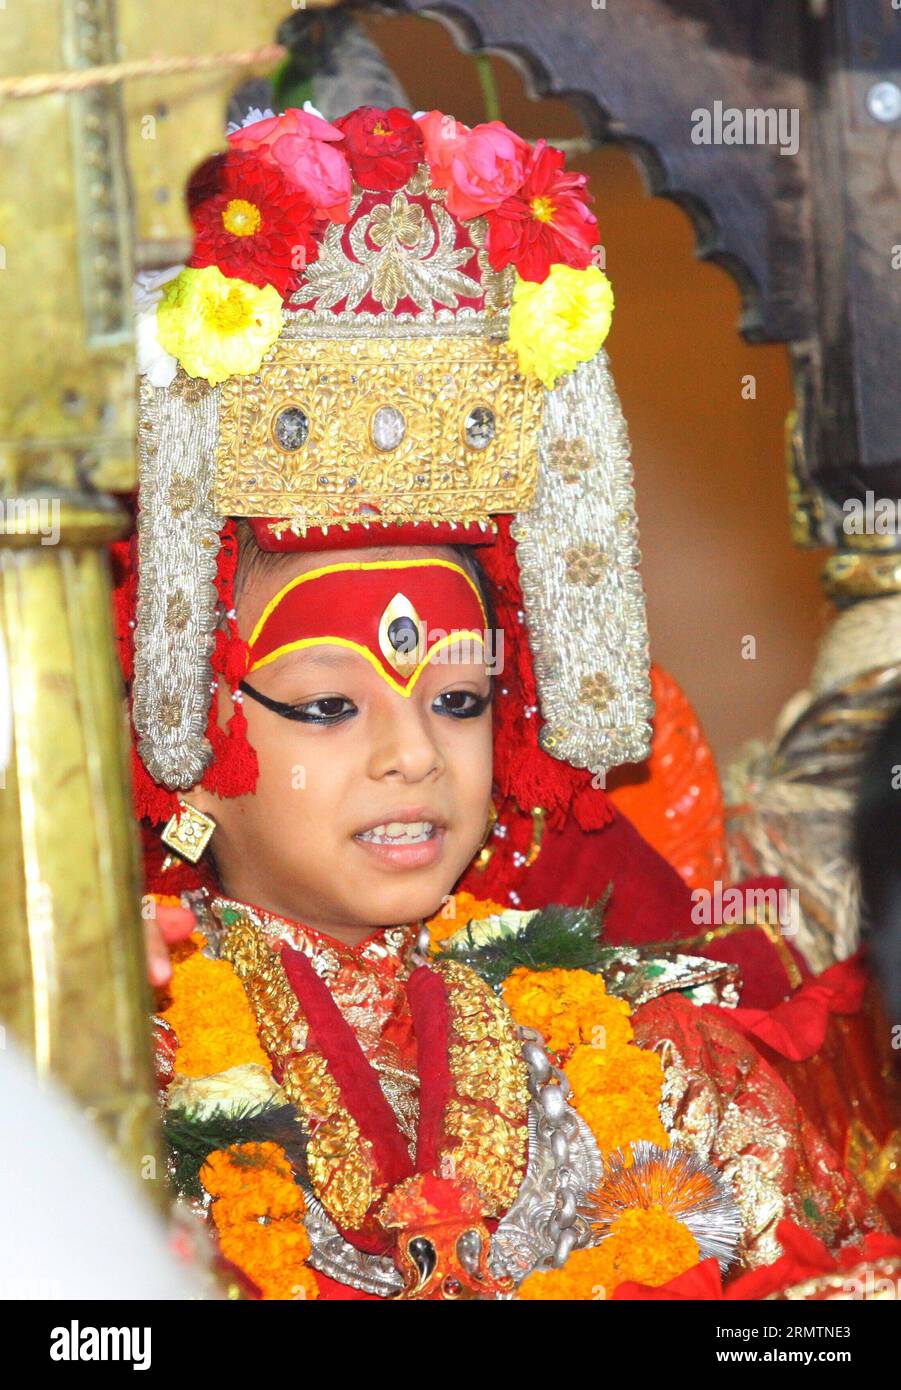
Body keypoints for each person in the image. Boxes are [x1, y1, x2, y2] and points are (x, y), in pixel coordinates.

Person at [116, 101, 898, 1300]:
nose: (412, 755)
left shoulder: (619, 1037)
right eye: (329, 707)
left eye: (461, 699)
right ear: (194, 732)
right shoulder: (113, 1079)